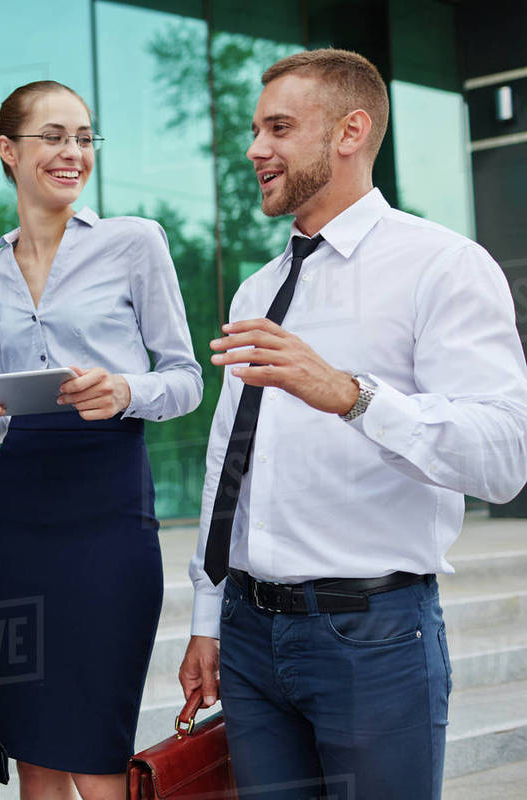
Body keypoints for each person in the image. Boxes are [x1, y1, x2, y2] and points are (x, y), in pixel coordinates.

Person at [178, 48, 527, 800]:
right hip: (247, 634)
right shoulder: (258, 287)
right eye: (254, 129)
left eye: (278, 127)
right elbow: (226, 462)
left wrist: (352, 396)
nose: (254, 150)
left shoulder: (443, 266)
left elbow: (505, 456)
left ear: (349, 131)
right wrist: (209, 616)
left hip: (370, 636)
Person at [0, 80, 202, 800]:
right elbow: (2, 412)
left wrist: (125, 391)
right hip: (19, 516)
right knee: (34, 749)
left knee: (94, 746)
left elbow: (185, 379)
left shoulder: (134, 242)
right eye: (53, 136)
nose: (72, 152)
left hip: (107, 507)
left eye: (84, 137)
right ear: (8, 150)